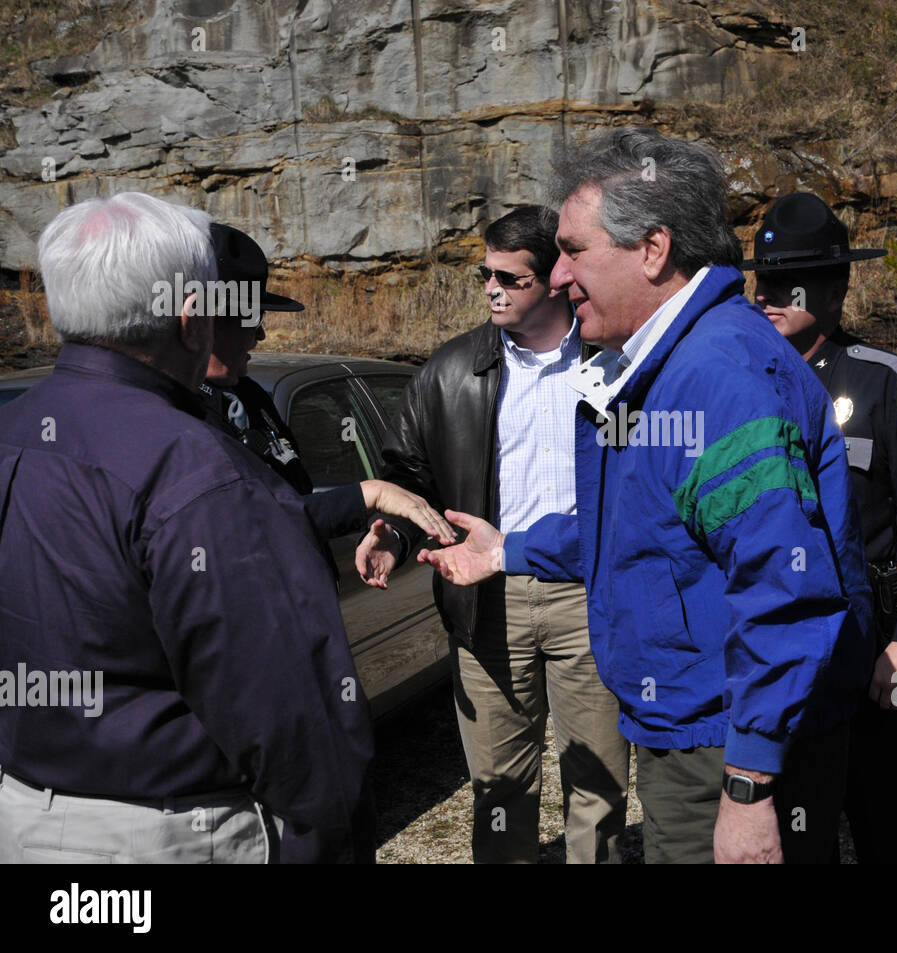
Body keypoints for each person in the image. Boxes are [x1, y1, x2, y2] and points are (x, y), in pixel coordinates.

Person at [422, 130, 872, 864]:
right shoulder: (665, 365)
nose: (559, 274)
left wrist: (750, 786)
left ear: (653, 249)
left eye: (574, 250)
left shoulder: (716, 375)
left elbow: (785, 587)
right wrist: (510, 548)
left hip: (721, 747)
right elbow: (639, 528)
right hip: (695, 736)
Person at [0, 192, 374, 863]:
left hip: (23, 818)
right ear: (191, 316)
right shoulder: (198, 469)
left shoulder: (14, 433)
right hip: (166, 835)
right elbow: (289, 714)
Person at [355, 206, 629, 863]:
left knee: (598, 786)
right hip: (486, 604)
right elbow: (405, 474)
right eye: (485, 273)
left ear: (557, 279)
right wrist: (391, 530)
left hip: (586, 598)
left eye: (510, 276)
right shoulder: (448, 372)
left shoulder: (615, 365)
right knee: (500, 792)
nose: (490, 288)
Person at [744, 191, 897, 863]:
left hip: (865, 648)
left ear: (836, 288)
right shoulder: (741, 382)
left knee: (886, 820)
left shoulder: (889, 385)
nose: (769, 294)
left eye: (791, 280)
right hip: (776, 650)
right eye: (763, 279)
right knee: (788, 829)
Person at [199, 223, 451, 551]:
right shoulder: (172, 417)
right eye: (251, 319)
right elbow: (242, 529)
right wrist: (367, 495)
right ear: (204, 322)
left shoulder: (249, 396)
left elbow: (293, 495)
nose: (259, 336)